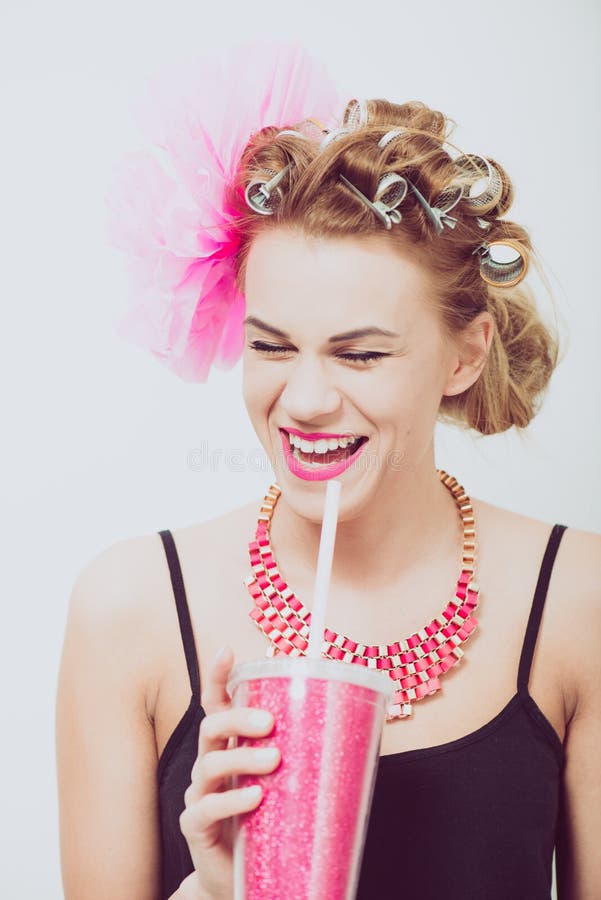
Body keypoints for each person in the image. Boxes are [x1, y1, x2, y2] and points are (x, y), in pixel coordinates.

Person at [55, 47, 601, 900]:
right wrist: (218, 888)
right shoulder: (129, 611)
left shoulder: (578, 600)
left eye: (362, 354)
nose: (303, 399)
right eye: (271, 346)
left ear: (465, 354)